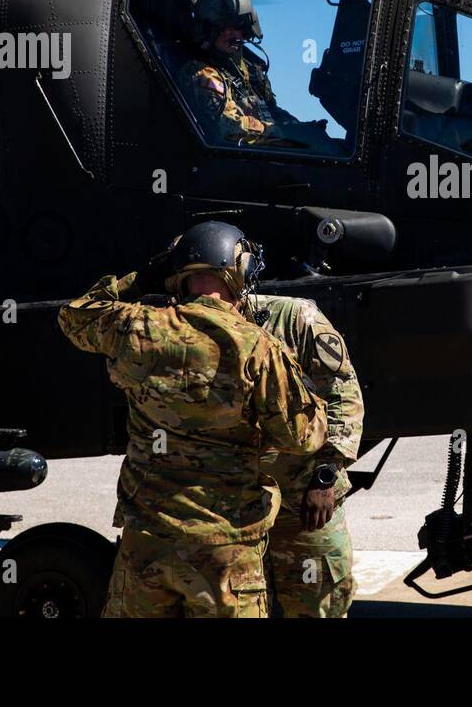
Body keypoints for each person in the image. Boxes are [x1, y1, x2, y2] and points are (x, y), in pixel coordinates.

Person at [57, 221, 326, 618]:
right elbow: (303, 438)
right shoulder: (258, 348)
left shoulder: (138, 326)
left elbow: (74, 316)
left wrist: (144, 276)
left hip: (147, 543)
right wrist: (304, 392)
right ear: (237, 272)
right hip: (225, 552)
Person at [252, 293, 364, 618]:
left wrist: (325, 475)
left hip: (301, 502)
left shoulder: (293, 316)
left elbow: (342, 392)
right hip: (234, 505)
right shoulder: (188, 326)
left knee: (317, 609)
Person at [177, 0, 299, 147]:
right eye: (220, 27)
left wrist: (300, 129)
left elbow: (271, 111)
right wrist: (278, 134)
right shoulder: (202, 74)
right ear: (207, 31)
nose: (230, 32)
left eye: (236, 25)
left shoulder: (251, 70)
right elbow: (228, 126)